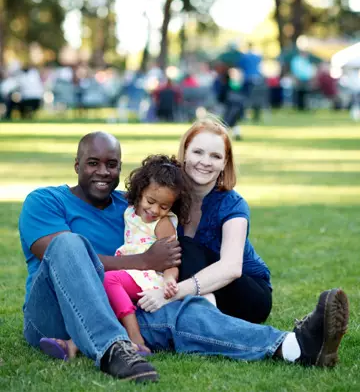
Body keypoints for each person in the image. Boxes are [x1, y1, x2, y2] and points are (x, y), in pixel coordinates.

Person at [19, 131, 349, 384]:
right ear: (77, 165)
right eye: (93, 163)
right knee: (70, 244)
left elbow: (170, 201)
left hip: (121, 310)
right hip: (53, 318)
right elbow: (57, 256)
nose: (102, 172)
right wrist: (144, 261)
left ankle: (296, 346)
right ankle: (112, 350)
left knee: (186, 312)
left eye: (112, 164)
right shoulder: (46, 201)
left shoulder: (134, 206)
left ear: (123, 169)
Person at [40, 154, 192, 358]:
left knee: (108, 280)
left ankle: (135, 338)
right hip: (130, 273)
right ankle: (73, 344)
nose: (154, 210)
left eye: (164, 207)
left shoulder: (163, 224)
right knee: (100, 294)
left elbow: (171, 259)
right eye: (151, 201)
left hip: (149, 278)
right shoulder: (130, 211)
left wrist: (169, 278)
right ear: (140, 191)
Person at [137, 118, 272, 324]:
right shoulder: (168, 198)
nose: (205, 162)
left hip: (245, 293)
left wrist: (169, 294)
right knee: (173, 248)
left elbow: (231, 268)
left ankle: (202, 314)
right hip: (189, 286)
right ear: (184, 153)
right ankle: (201, 317)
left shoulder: (233, 204)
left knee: (185, 246)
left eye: (215, 156)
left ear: (224, 163)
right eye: (198, 152)